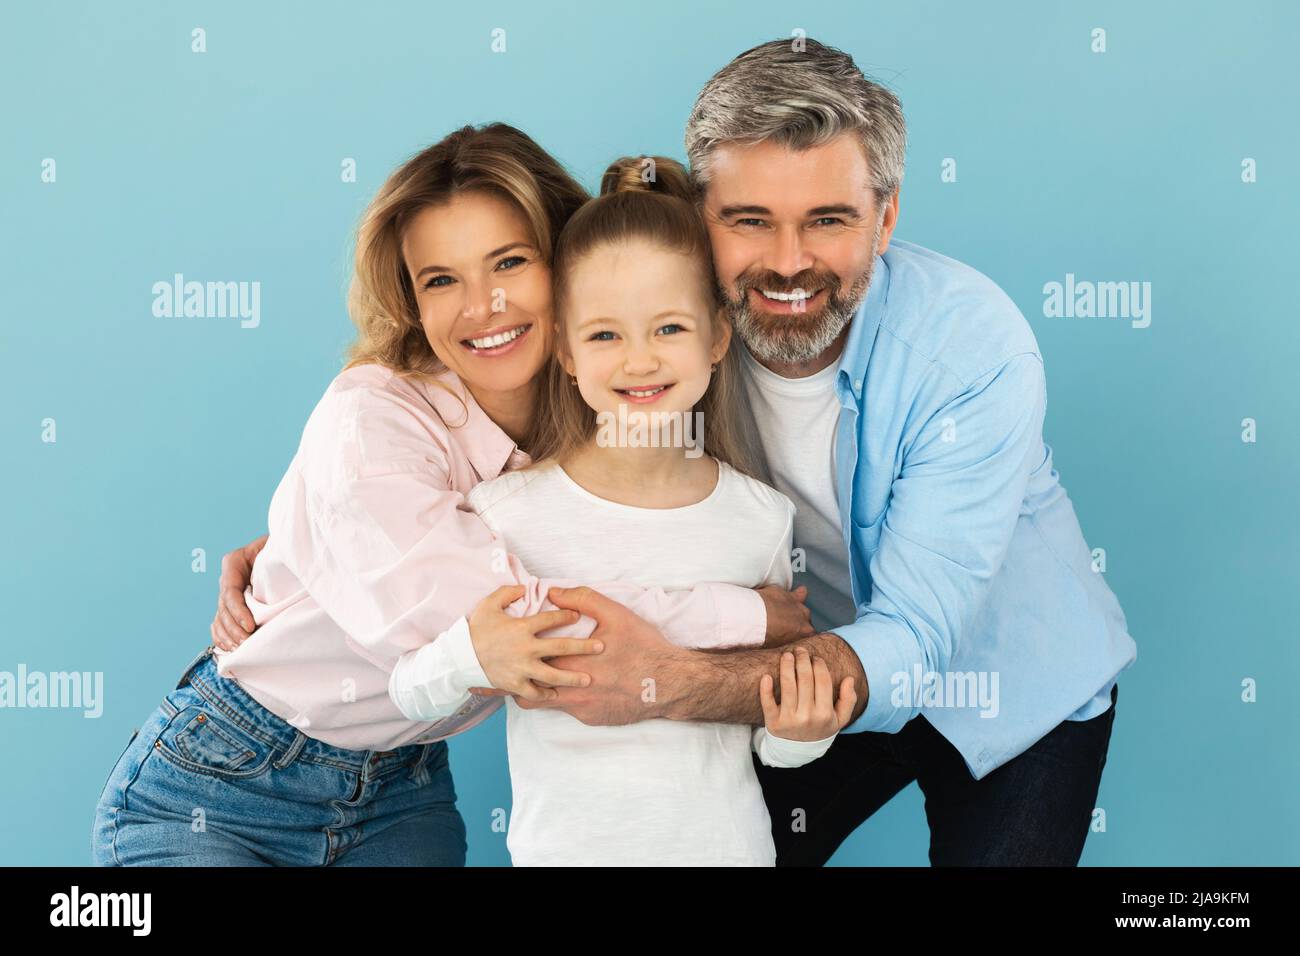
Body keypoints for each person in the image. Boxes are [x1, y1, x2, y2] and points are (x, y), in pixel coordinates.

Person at [92, 123, 811, 866]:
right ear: (411, 299)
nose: (483, 305)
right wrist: (746, 610)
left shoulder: (608, 412)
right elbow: (510, 626)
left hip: (404, 784)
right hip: (231, 776)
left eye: (509, 261)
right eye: (441, 280)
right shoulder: (368, 419)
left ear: (568, 266)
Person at [391, 156, 856, 866]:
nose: (639, 361)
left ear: (717, 337)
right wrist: (468, 656)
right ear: (569, 354)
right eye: (605, 335)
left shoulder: (760, 517)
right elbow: (409, 691)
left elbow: (761, 725)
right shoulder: (507, 513)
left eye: (668, 328)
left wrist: (801, 733)